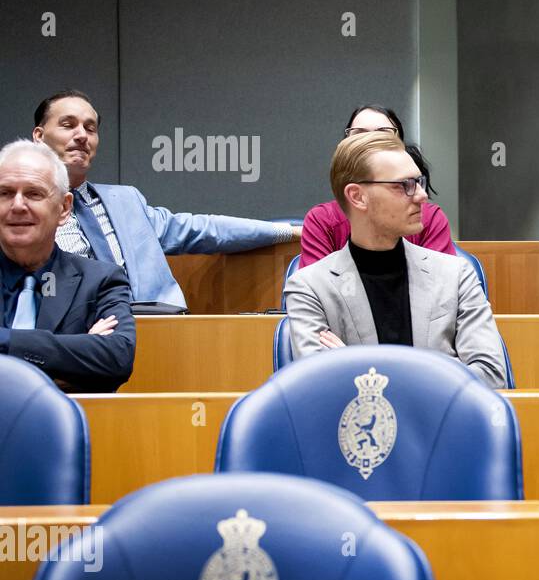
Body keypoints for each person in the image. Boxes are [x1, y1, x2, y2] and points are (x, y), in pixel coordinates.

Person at [32, 90, 301, 309]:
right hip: (76, 336)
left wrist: (290, 231)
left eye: (90, 128)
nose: (82, 135)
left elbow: (202, 229)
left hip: (156, 327)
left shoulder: (126, 201)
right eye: (68, 125)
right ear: (39, 137)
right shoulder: (21, 212)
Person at [284, 131, 507, 388]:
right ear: (357, 196)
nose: (422, 195)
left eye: (419, 182)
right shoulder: (309, 288)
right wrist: (443, 367)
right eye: (404, 185)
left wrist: (357, 365)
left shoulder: (457, 275)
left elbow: (491, 377)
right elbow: (321, 388)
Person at [0, 139, 135, 393]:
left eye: (33, 194)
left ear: (64, 208)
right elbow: (95, 368)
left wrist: (6, 340)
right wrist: (75, 354)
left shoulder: (100, 280)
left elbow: (116, 357)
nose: (17, 205)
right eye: (5, 193)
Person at [298, 105, 453, 266]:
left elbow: (442, 278)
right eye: (359, 134)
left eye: (383, 134)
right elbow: (316, 280)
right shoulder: (323, 220)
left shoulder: (429, 218)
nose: (371, 142)